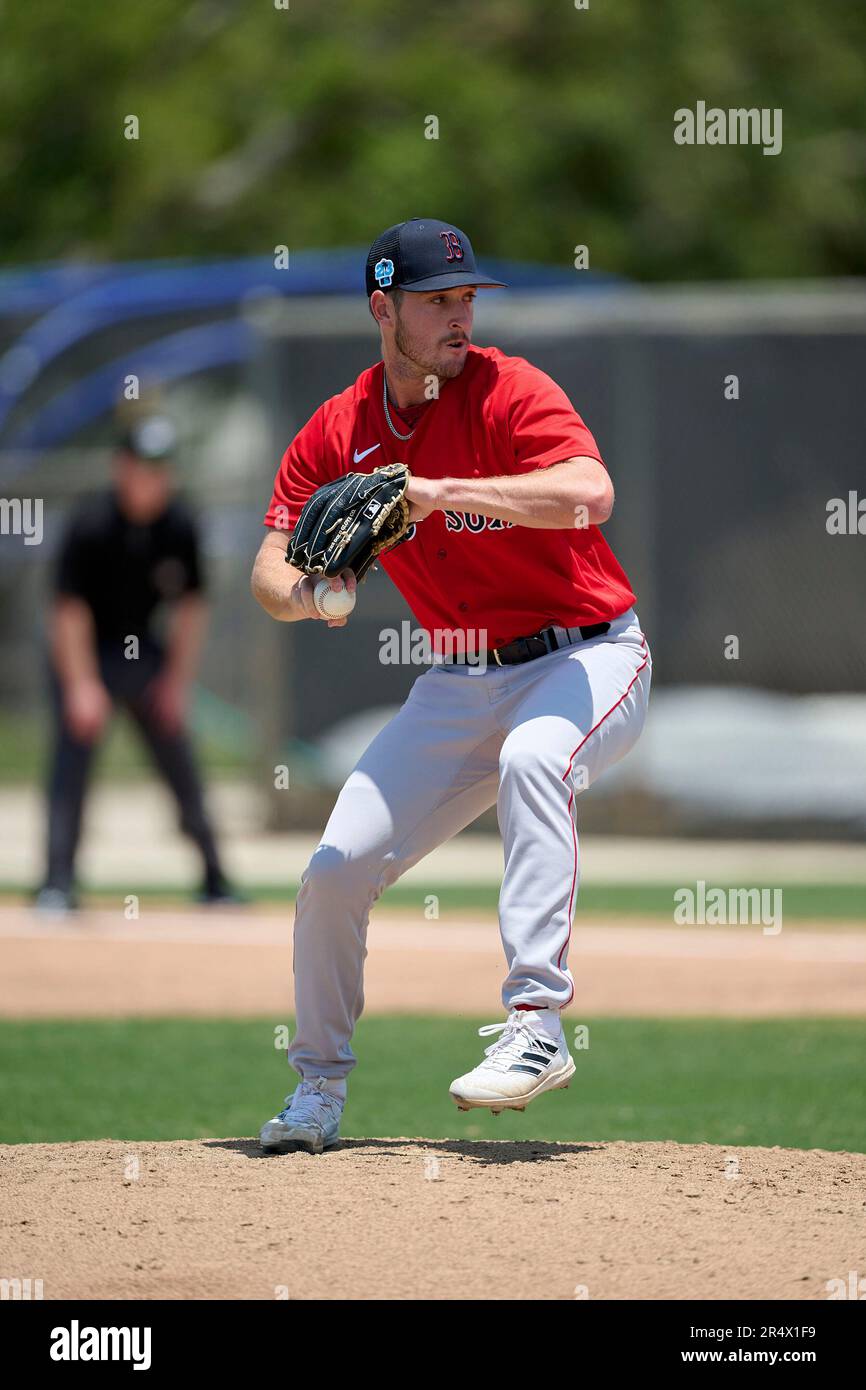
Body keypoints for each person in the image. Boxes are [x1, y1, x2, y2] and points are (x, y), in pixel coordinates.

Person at [252, 218, 652, 1153]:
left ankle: (537, 1026)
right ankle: (316, 1088)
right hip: (460, 678)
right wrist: (317, 594)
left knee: (534, 758)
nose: (459, 314)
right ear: (382, 307)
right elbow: (268, 568)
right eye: (437, 300)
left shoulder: (511, 390)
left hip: (588, 655)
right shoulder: (338, 428)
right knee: (337, 869)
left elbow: (589, 492)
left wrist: (438, 491)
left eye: (467, 296)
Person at [36, 415, 237, 914]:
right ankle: (58, 884)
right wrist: (81, 686)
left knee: (179, 761)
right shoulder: (92, 523)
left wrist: (175, 683)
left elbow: (192, 607)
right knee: (72, 765)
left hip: (145, 652)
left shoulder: (179, 523)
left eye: (162, 468)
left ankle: (215, 878)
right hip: (86, 652)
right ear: (121, 468)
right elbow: (68, 610)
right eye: (144, 467)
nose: (154, 478)